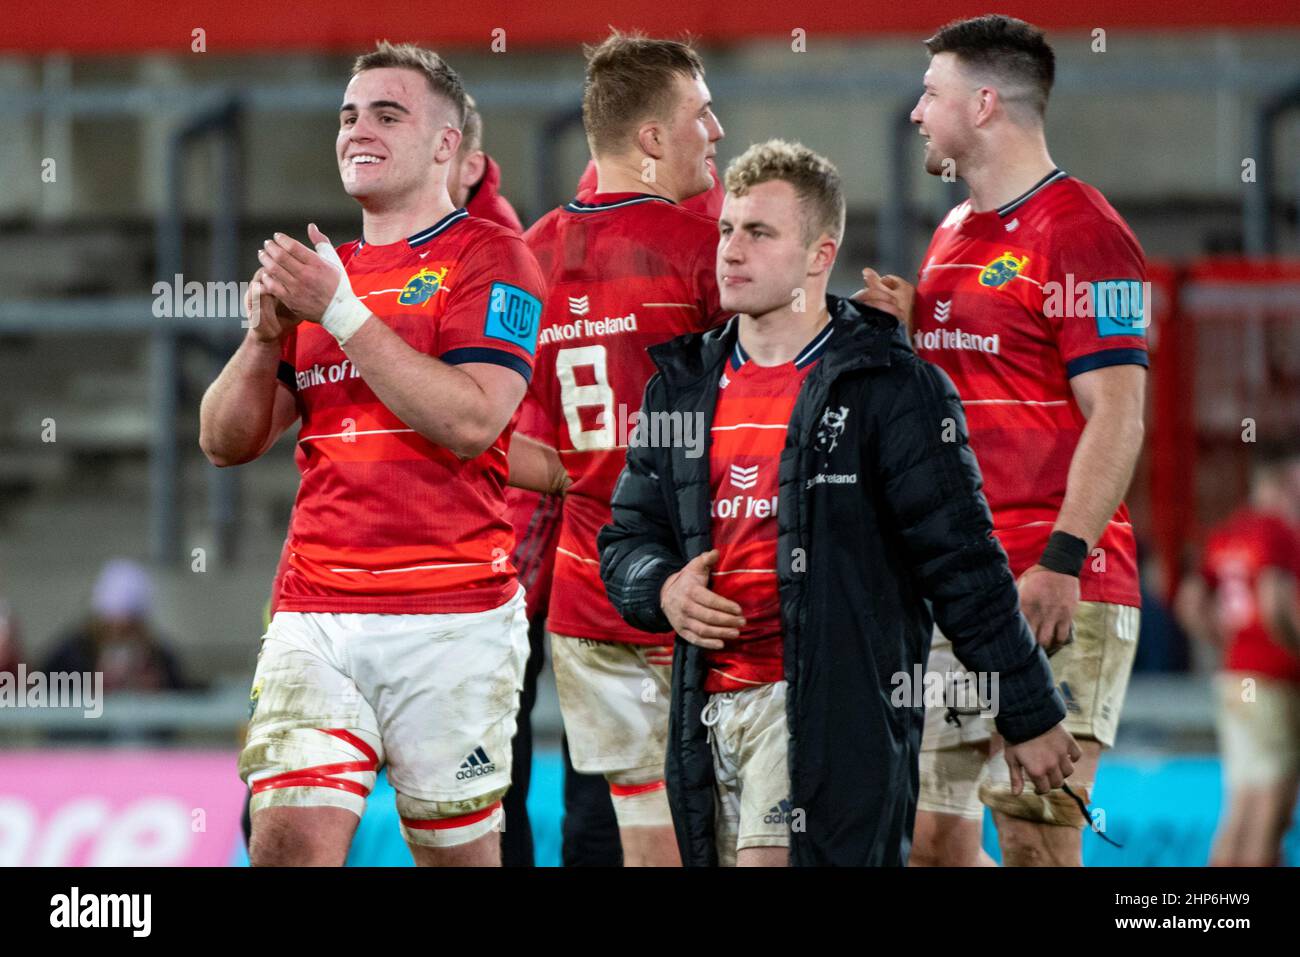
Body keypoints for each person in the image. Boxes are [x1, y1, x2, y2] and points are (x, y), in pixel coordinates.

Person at [599, 139, 1077, 866]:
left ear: (821, 255)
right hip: (704, 717)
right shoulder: (680, 387)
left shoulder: (894, 388)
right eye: (728, 228)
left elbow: (965, 564)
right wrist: (660, 589)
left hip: (827, 715)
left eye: (759, 233)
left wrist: (1030, 710)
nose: (732, 249)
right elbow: (626, 539)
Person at [200, 41, 546, 867]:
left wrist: (344, 315)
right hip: (316, 614)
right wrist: (261, 339)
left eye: (388, 113)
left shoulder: (493, 257)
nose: (359, 127)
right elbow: (223, 442)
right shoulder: (326, 277)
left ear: (445, 145)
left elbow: (472, 420)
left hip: (454, 619)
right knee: (282, 846)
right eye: (349, 113)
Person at [864, 14, 1149, 867]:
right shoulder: (954, 231)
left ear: (984, 104)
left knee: (1034, 838)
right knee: (926, 838)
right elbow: (985, 383)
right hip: (956, 582)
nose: (916, 113)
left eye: (931, 94)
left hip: (1055, 580)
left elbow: (1119, 414)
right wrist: (912, 334)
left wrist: (1065, 558)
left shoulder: (1085, 234)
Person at [508, 29, 727, 866]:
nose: (714, 131)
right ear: (651, 138)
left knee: (631, 836)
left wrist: (578, 473)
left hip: (588, 589)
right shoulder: (705, 250)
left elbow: (477, 425)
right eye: (701, 115)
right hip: (708, 584)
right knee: (745, 832)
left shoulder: (527, 255)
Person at [1175, 452, 1300, 866]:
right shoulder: (1279, 530)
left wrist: (1226, 645)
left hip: (1234, 677)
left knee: (1242, 800)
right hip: (1272, 678)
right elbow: (1273, 603)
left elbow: (1190, 602)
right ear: (1285, 480)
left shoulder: (1229, 532)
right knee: (1270, 802)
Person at [43, 558, 186, 693]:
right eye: (111, 626)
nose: (117, 633)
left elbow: (179, 698)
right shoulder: (70, 656)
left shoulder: (159, 658)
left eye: (127, 629)